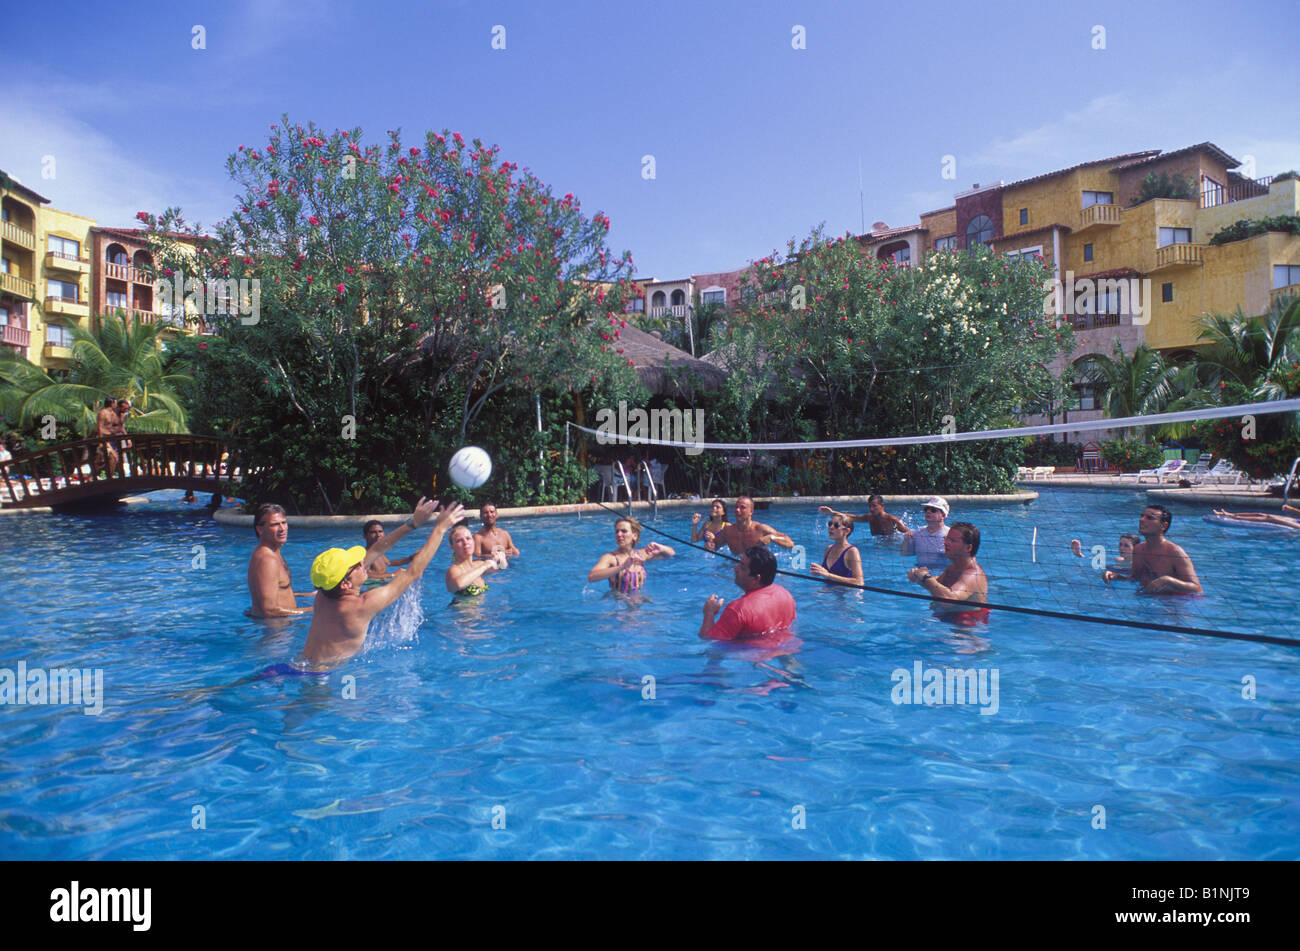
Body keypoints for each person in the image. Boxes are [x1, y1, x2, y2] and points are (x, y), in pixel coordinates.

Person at [297, 499, 463, 669]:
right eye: (356, 565)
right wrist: (440, 529)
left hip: (298, 665)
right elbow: (414, 572)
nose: (363, 563)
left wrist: (413, 523)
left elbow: (376, 550)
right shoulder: (362, 605)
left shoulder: (324, 594)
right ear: (345, 584)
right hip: (320, 679)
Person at [699, 546, 797, 640]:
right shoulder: (786, 595)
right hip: (783, 647)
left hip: (751, 655)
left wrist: (709, 613)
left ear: (756, 578)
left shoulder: (737, 610)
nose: (735, 569)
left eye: (742, 567)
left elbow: (709, 642)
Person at [1104, 504, 1202, 594]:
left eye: (1150, 518)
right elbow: (1134, 579)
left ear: (1164, 525)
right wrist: (1116, 576)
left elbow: (1197, 589)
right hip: (1148, 598)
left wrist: (1167, 580)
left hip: (1175, 602)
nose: (1142, 520)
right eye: (1142, 516)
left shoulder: (1175, 552)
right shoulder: (1138, 549)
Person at [907, 521, 989, 622]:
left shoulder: (972, 575)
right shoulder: (953, 567)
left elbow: (949, 600)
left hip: (967, 628)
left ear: (968, 547)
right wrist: (918, 578)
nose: (946, 543)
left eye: (953, 540)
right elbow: (937, 587)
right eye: (947, 538)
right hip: (950, 618)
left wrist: (926, 577)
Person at [246, 503, 316, 618]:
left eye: (283, 522)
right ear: (260, 529)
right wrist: (315, 610)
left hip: (282, 624)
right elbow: (269, 610)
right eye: (275, 525)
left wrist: (308, 595)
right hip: (278, 630)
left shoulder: (272, 552)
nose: (282, 529)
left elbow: (275, 591)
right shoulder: (267, 560)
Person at [588, 517, 675, 592]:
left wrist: (661, 548)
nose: (619, 534)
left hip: (639, 598)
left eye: (624, 531)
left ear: (635, 536)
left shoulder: (641, 554)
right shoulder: (610, 557)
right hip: (618, 601)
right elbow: (592, 577)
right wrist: (622, 567)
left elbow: (670, 554)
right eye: (617, 531)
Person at [706, 496, 794, 555]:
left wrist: (771, 538)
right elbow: (714, 546)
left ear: (751, 511)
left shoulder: (761, 529)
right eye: (736, 507)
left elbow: (790, 543)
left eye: (742, 507)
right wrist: (710, 543)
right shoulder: (728, 531)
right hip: (736, 567)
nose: (737, 510)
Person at [446, 523, 508, 596]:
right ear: (452, 548)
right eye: (459, 540)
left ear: (473, 542)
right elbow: (459, 584)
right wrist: (485, 565)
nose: (465, 542)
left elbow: (500, 567)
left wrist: (501, 559)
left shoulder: (478, 564)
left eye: (468, 538)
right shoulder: (454, 570)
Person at [809, 514, 864, 586]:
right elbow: (826, 575)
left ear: (847, 531)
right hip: (829, 592)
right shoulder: (828, 549)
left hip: (847, 594)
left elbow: (859, 582)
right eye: (830, 524)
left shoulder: (852, 551)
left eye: (836, 525)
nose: (831, 527)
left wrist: (828, 575)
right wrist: (818, 571)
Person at [820, 495, 908, 536]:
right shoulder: (869, 517)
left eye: (874, 506)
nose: (871, 509)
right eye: (870, 506)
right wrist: (832, 512)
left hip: (891, 544)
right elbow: (852, 517)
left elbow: (909, 533)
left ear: (882, 506)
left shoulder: (892, 519)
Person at [901, 497, 950, 568]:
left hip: (942, 574)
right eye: (926, 509)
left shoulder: (950, 534)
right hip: (920, 573)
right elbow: (905, 554)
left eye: (933, 510)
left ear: (943, 515)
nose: (928, 512)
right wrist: (906, 540)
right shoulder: (918, 533)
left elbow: (958, 558)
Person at [1071, 533, 1141, 574]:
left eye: (1126, 546)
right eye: (1120, 544)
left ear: (1136, 548)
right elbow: (1094, 561)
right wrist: (1079, 554)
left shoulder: (1139, 565)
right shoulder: (1118, 560)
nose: (1121, 548)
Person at [1210, 505, 1300, 530]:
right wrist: (1290, 508)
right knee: (1261, 514)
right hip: (1297, 521)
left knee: (1272, 519)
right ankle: (1231, 514)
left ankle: (1233, 517)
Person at [93, 398, 120, 477]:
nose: (116, 405)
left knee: (112, 459)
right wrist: (101, 441)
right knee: (112, 457)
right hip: (104, 438)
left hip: (112, 438)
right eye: (115, 403)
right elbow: (99, 427)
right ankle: (108, 477)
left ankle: (95, 477)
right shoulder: (102, 413)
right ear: (111, 403)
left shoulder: (113, 413)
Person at [115, 398, 133, 475]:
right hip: (110, 437)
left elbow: (121, 427)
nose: (126, 410)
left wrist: (128, 440)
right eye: (125, 408)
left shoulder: (121, 415)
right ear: (119, 407)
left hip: (118, 437)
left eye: (127, 408)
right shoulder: (111, 414)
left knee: (120, 458)